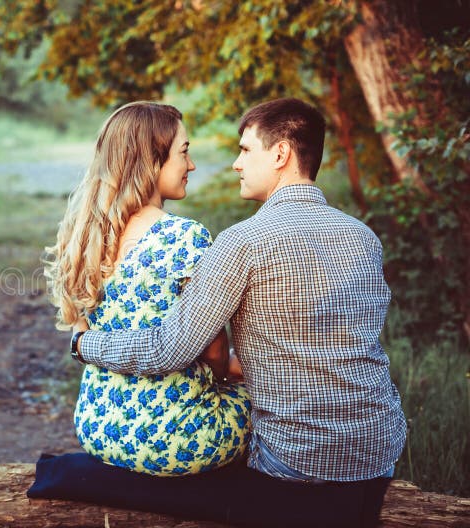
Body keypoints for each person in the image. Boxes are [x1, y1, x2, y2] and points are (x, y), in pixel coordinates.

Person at [71, 98, 407, 484]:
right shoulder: (364, 237)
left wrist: (84, 345)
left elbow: (169, 348)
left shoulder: (242, 242)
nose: (236, 163)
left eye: (246, 150)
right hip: (381, 445)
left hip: (295, 460)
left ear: (280, 154)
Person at [44, 101, 252, 477]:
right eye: (184, 153)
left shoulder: (89, 237)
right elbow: (213, 346)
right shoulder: (185, 236)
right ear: (152, 161)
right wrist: (228, 372)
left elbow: (82, 328)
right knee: (264, 399)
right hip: (180, 441)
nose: (191, 166)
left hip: (99, 429)